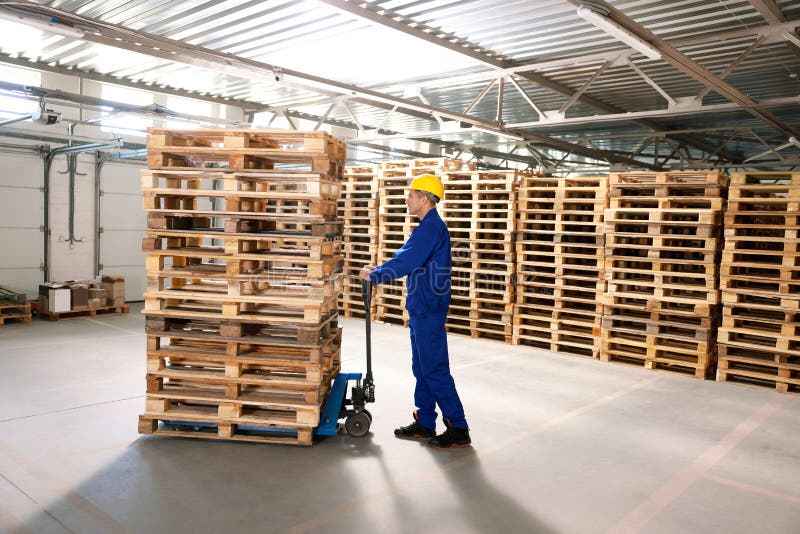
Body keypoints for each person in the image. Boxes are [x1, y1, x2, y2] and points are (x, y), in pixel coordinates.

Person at [359, 173, 470, 448]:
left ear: (423, 198)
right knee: (421, 368)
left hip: (429, 308)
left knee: (434, 369)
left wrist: (375, 275)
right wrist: (379, 269)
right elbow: (405, 255)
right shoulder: (424, 227)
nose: (406, 199)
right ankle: (425, 422)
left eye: (410, 195)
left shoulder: (431, 227)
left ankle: (458, 427)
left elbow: (408, 260)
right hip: (422, 306)